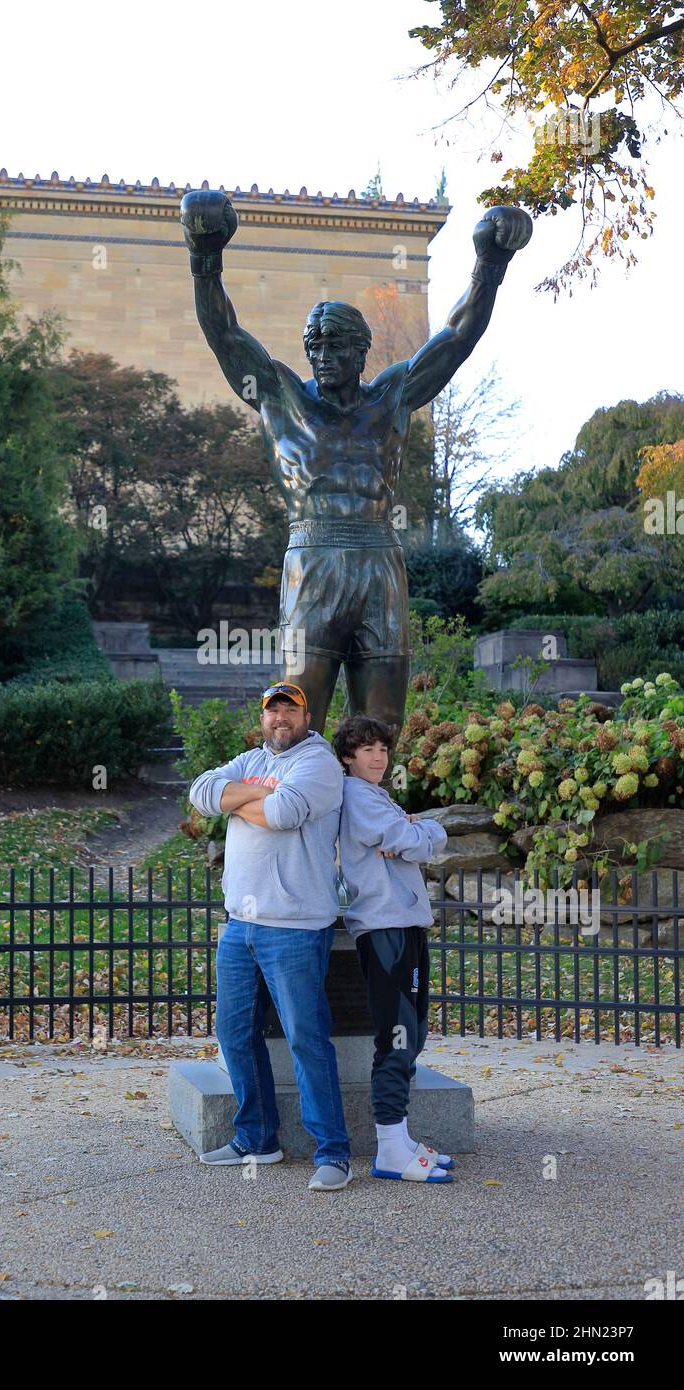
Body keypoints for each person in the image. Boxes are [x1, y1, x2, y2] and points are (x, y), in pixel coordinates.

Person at [179, 186, 532, 736]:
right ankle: (296, 820)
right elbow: (223, 332)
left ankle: (372, 821)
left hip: (378, 563)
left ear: (362, 352)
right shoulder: (280, 395)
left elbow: (459, 336)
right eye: (313, 345)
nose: (321, 356)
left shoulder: (391, 396)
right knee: (297, 720)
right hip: (312, 559)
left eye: (335, 345)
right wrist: (205, 256)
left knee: (381, 727)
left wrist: (491, 262)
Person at [188, 682, 352, 1190]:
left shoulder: (320, 763)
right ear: (263, 718)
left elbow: (284, 815)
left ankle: (334, 1153)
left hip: (296, 928)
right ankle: (258, 1138)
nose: (281, 716)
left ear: (308, 714)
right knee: (234, 1034)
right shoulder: (251, 758)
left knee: (306, 1039)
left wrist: (235, 801)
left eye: (291, 709)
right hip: (241, 926)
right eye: (273, 709)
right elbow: (200, 794)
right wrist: (259, 794)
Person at [333, 713, 454, 1183]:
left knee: (413, 1033)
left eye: (382, 749)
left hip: (403, 922)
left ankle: (399, 1139)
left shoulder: (373, 796)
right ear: (348, 757)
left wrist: (410, 836)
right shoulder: (358, 795)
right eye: (366, 750)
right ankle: (388, 1151)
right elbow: (411, 839)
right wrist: (426, 833)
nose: (378, 756)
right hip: (384, 927)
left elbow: (405, 840)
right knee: (398, 1036)